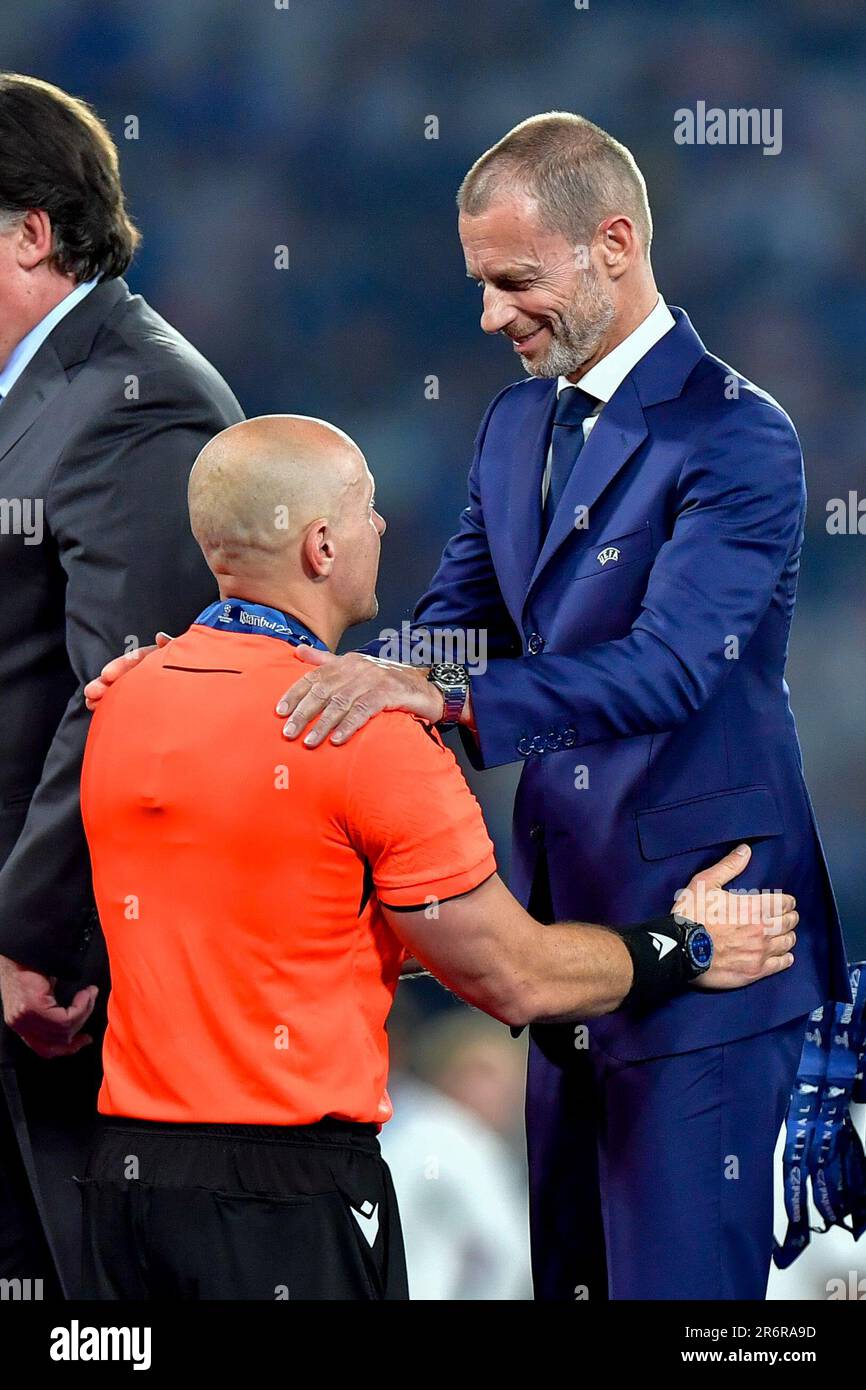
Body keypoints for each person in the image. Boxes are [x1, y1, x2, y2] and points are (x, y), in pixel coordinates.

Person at [225, 112, 851, 1300]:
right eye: (477, 284)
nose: (489, 315)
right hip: (565, 937)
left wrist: (439, 693)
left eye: (514, 281)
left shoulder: (736, 434)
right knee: (569, 1277)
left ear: (611, 244)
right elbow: (451, 621)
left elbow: (672, 668)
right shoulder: (515, 424)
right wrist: (254, 674)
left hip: (711, 937)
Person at [78, 415, 795, 1300]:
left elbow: (279, 928)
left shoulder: (120, 698)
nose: (382, 529)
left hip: (122, 1187)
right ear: (322, 545)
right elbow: (514, 977)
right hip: (286, 1199)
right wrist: (688, 947)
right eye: (368, 509)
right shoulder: (364, 733)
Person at [0, 72, 243, 1297]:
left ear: (30, 232)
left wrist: (31, 939)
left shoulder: (134, 401)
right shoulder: (34, 401)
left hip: (47, 999)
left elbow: (127, 702)